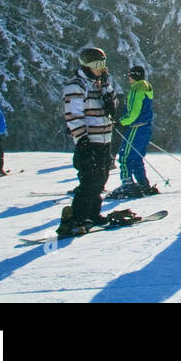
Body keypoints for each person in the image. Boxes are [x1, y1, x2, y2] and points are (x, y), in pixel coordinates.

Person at [59, 47, 119, 237]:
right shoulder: (76, 86)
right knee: (89, 180)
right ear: (86, 66)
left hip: (104, 137)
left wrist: (111, 101)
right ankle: (77, 217)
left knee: (101, 178)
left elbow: (112, 107)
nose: (101, 69)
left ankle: (93, 213)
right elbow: (73, 115)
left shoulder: (102, 84)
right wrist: (81, 138)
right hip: (89, 139)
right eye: (97, 65)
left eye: (103, 64)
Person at [116, 65, 157, 197]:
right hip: (145, 127)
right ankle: (143, 183)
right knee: (137, 157)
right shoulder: (146, 87)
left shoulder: (136, 90)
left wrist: (120, 122)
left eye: (129, 75)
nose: (128, 78)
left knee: (125, 156)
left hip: (136, 127)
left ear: (133, 75)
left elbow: (133, 113)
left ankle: (127, 184)